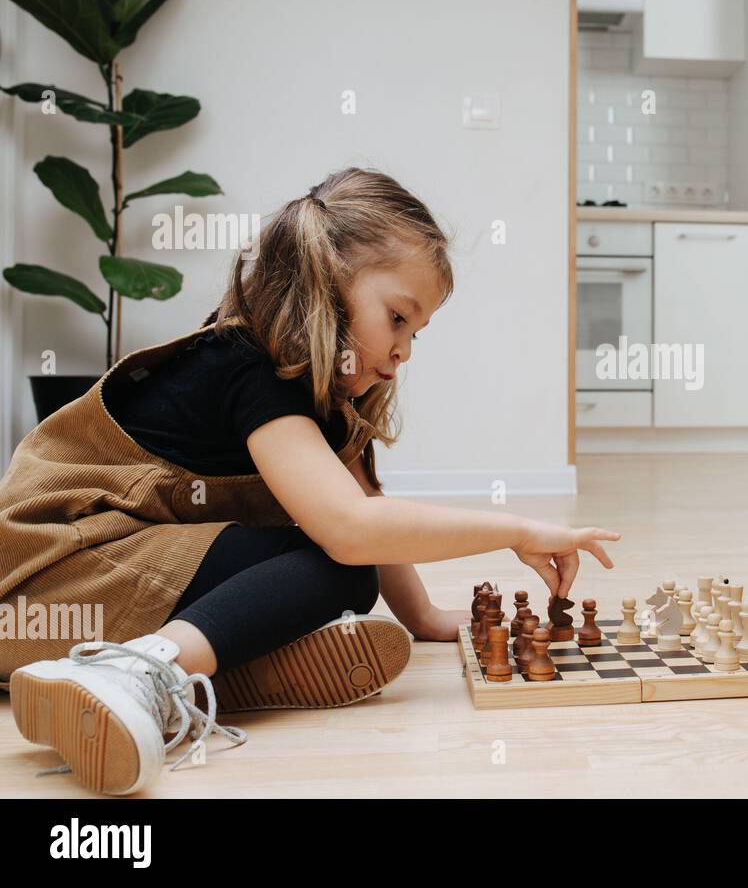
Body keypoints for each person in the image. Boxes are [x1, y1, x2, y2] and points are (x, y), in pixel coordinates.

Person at [0, 167, 619, 794]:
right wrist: (515, 527)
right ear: (325, 280)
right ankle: (136, 675)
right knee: (340, 566)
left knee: (342, 566)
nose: (405, 350)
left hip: (107, 582)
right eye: (398, 318)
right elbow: (353, 533)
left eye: (417, 332)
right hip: (48, 581)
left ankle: (185, 662)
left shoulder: (312, 392)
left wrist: (425, 616)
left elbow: (366, 510)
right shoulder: (249, 367)